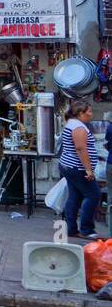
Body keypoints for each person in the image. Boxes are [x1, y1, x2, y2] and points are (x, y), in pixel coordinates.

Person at [59, 99, 101, 240]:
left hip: (69, 166)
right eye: (89, 111)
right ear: (81, 113)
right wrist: (88, 170)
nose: (91, 114)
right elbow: (81, 148)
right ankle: (86, 229)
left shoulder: (72, 123)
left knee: (75, 196)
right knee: (93, 195)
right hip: (76, 168)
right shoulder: (78, 127)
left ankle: (71, 229)